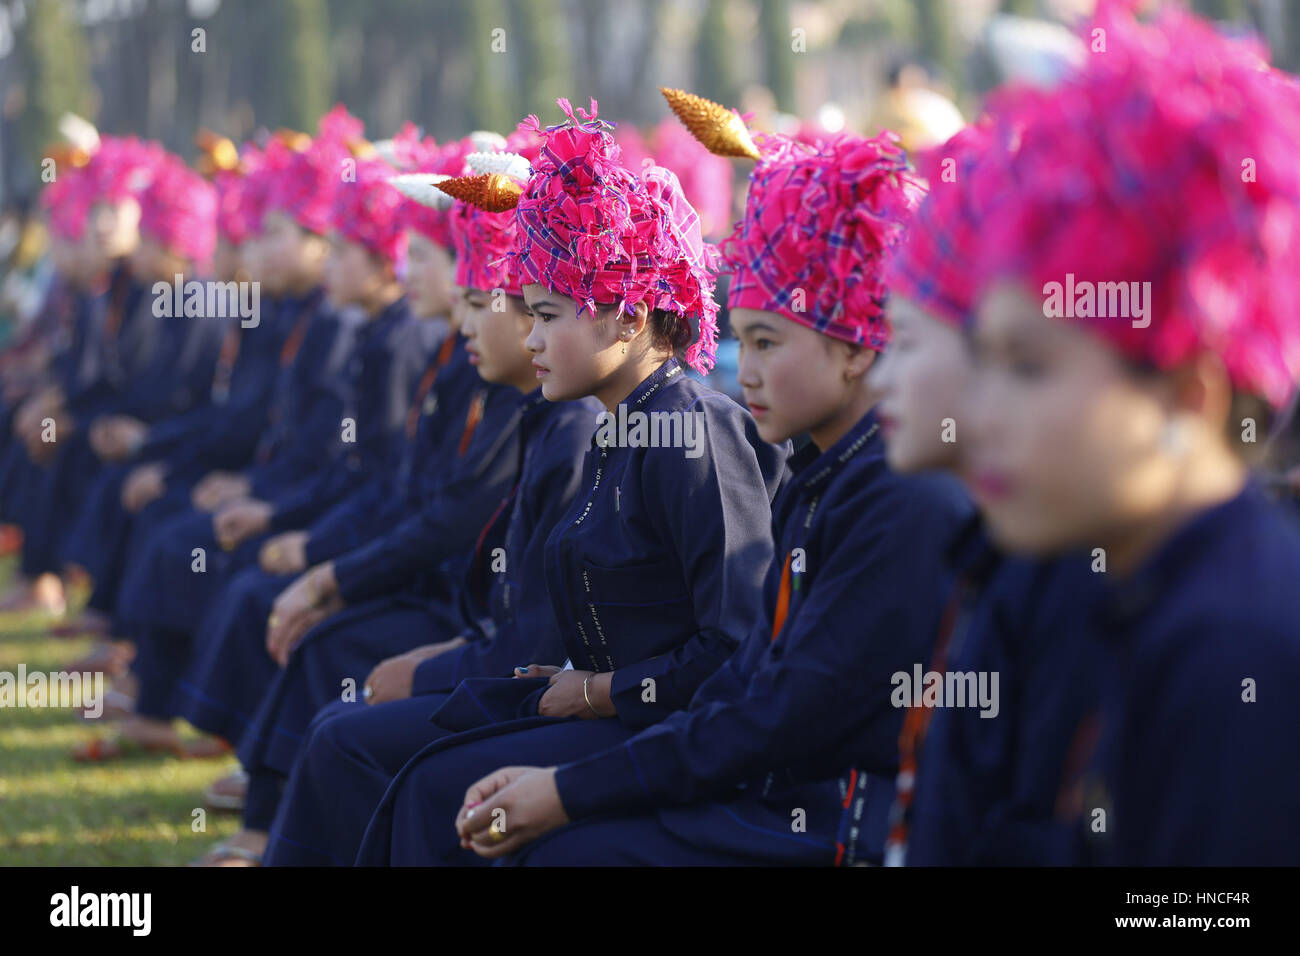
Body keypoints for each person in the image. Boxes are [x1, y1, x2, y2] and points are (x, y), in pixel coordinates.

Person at [450, 98, 970, 866]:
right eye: (742, 341)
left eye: (766, 343)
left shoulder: (895, 498)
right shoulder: (818, 479)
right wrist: (582, 761)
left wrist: (575, 782)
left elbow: (777, 712)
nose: (746, 371)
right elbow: (749, 685)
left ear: (855, 350)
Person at [355, 98, 787, 867]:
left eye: (547, 315)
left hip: (673, 742)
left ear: (626, 319)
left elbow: (733, 645)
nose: (531, 337)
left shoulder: (688, 430)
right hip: (609, 712)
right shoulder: (617, 419)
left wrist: (603, 691)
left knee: (439, 786)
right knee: (418, 764)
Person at [966, 5, 1300, 865]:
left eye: (1028, 369)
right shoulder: (1134, 587)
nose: (978, 414)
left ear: (1188, 397)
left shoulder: (1236, 651)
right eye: (981, 362)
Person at [260, 170, 601, 866]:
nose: (464, 321)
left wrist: (430, 663)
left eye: (485, 303)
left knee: (349, 720)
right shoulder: (534, 407)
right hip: (502, 652)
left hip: (550, 687)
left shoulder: (581, 425)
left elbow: (531, 624)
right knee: (336, 701)